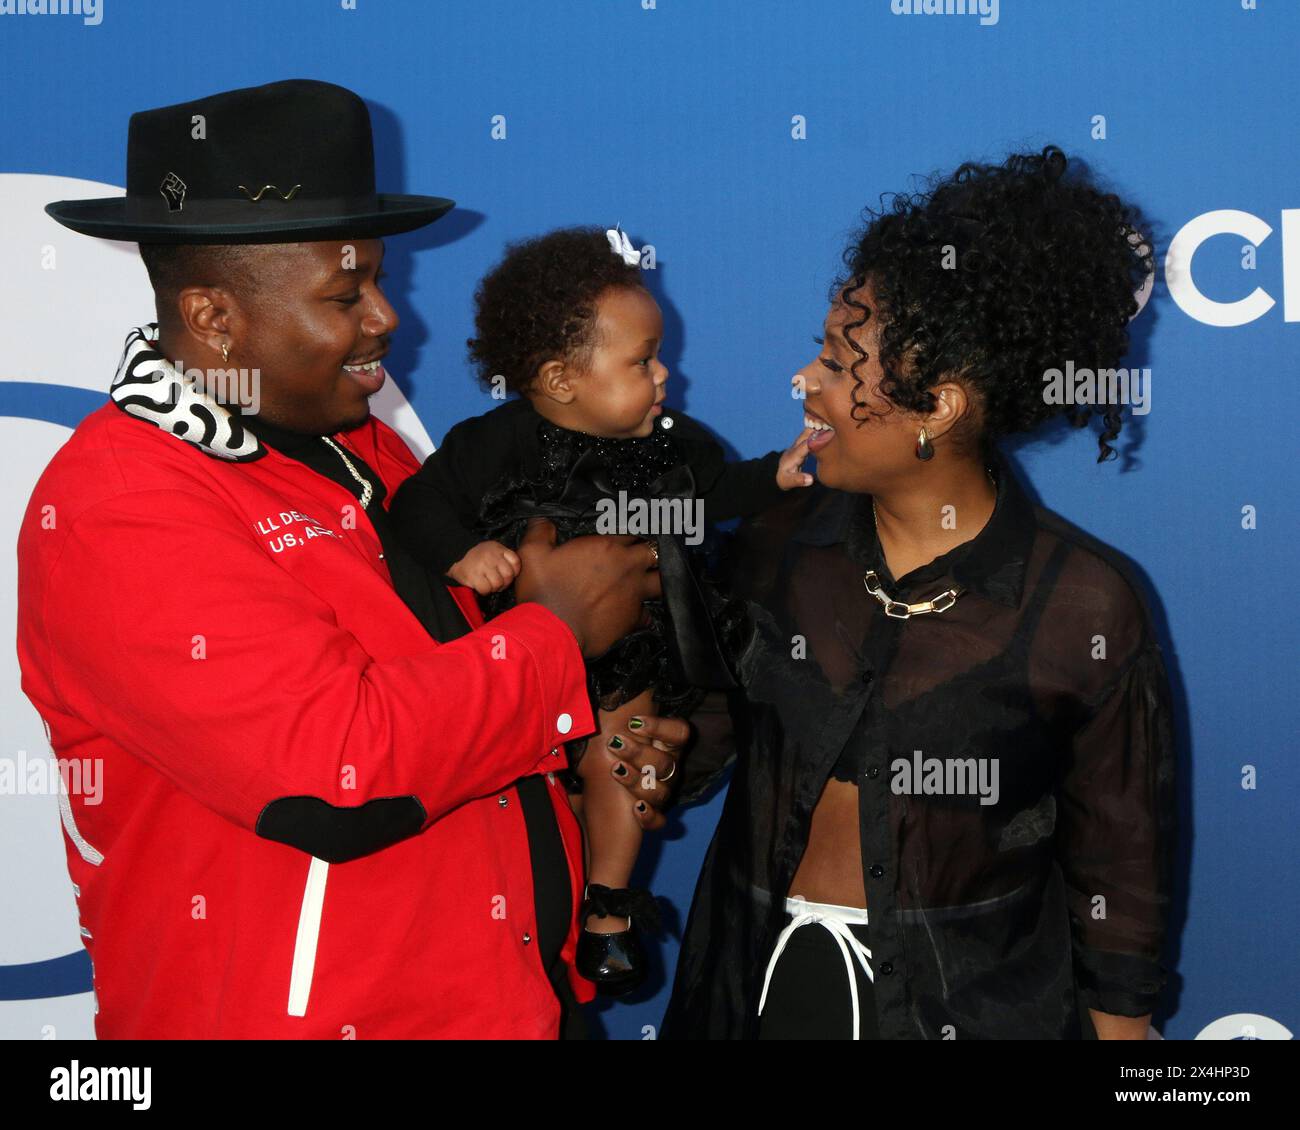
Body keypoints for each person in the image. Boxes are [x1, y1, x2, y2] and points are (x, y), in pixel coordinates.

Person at [19, 78, 685, 1040]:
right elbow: (336, 781)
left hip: (514, 1005)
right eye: (345, 294)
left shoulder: (364, 449)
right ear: (213, 317)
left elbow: (459, 704)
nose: (386, 317)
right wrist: (553, 641)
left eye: (378, 279)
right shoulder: (118, 506)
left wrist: (590, 747)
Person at [662, 146, 1176, 1040]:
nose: (806, 380)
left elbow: (1120, 879)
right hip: (751, 991)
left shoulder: (1083, 606)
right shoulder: (774, 547)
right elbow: (697, 741)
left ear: (937, 407)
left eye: (837, 360)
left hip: (971, 1008)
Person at [388, 225, 812, 993]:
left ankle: (607, 909)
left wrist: (773, 476)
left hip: (626, 661)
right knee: (527, 794)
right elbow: (418, 505)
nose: (665, 375)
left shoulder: (671, 442)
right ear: (561, 380)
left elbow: (714, 494)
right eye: (642, 362)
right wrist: (461, 554)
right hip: (513, 663)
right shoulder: (493, 444)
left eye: (659, 356)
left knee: (624, 756)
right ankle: (522, 898)